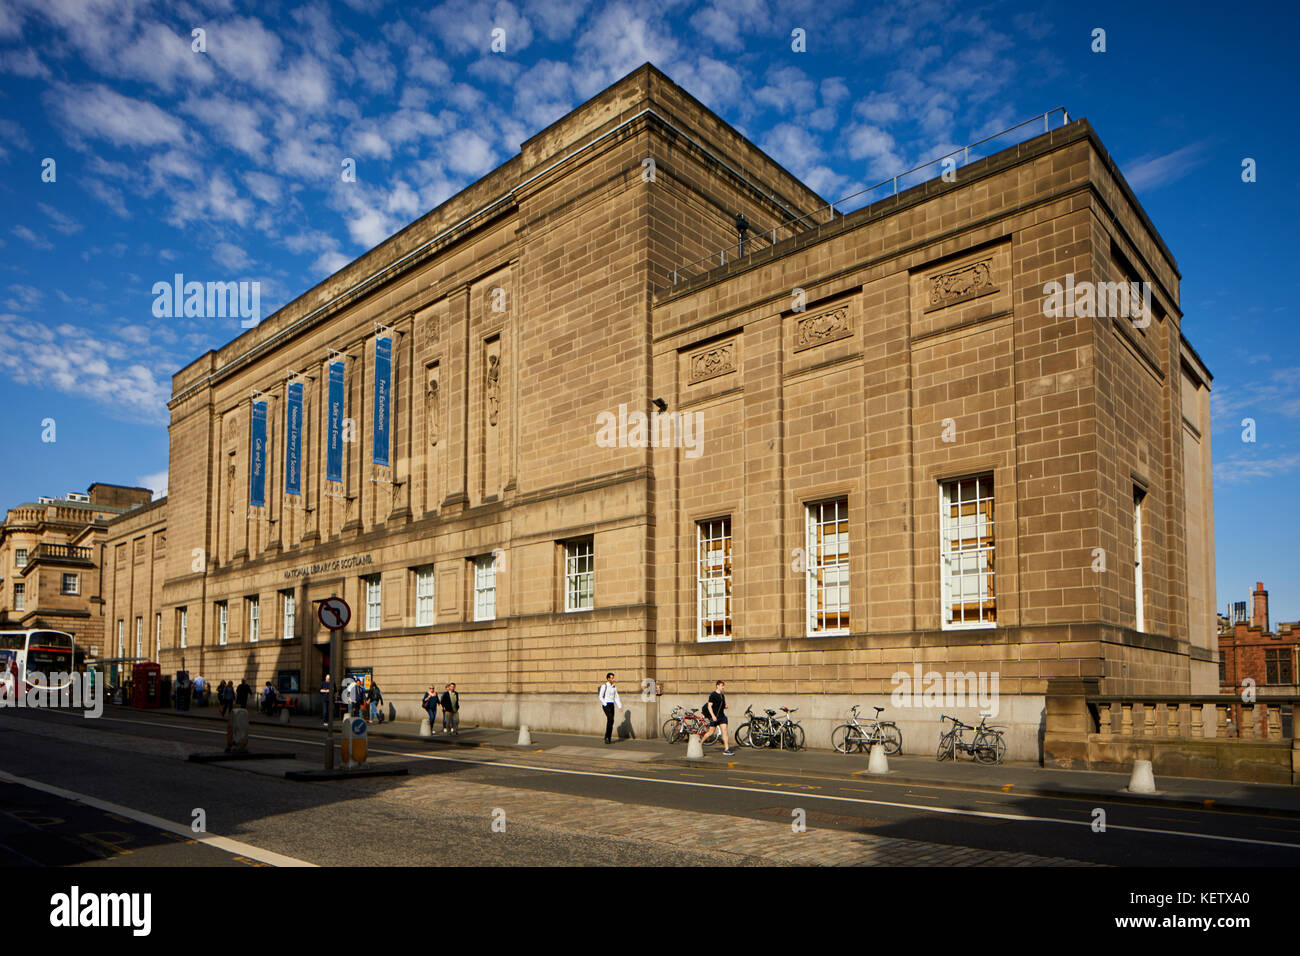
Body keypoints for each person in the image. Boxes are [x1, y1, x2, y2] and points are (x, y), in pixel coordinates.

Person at [704, 679, 734, 756]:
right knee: (711, 732)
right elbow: (709, 706)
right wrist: (713, 716)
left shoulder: (722, 695)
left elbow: (722, 705)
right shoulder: (713, 694)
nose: (722, 687)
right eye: (721, 686)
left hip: (722, 716)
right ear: (717, 686)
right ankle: (700, 743)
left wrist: (725, 706)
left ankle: (726, 749)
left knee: (725, 731)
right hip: (715, 717)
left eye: (723, 686)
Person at [598, 673, 622, 744]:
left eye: (613, 678)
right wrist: (605, 704)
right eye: (611, 678)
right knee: (610, 719)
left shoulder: (614, 687)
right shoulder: (604, 686)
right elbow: (600, 696)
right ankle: (607, 737)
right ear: (608, 679)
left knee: (611, 721)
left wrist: (619, 706)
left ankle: (608, 737)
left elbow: (616, 697)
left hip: (612, 704)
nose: (612, 679)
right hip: (606, 705)